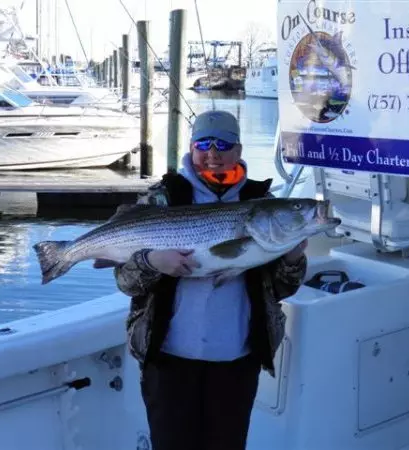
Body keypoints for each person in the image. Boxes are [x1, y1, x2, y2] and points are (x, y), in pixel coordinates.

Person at [114, 110, 307, 450]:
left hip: (236, 360)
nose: (213, 153)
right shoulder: (161, 199)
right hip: (168, 358)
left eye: (224, 144)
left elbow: (280, 289)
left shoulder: (264, 206)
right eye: (204, 143)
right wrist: (152, 260)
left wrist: (293, 257)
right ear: (191, 147)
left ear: (239, 150)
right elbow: (126, 283)